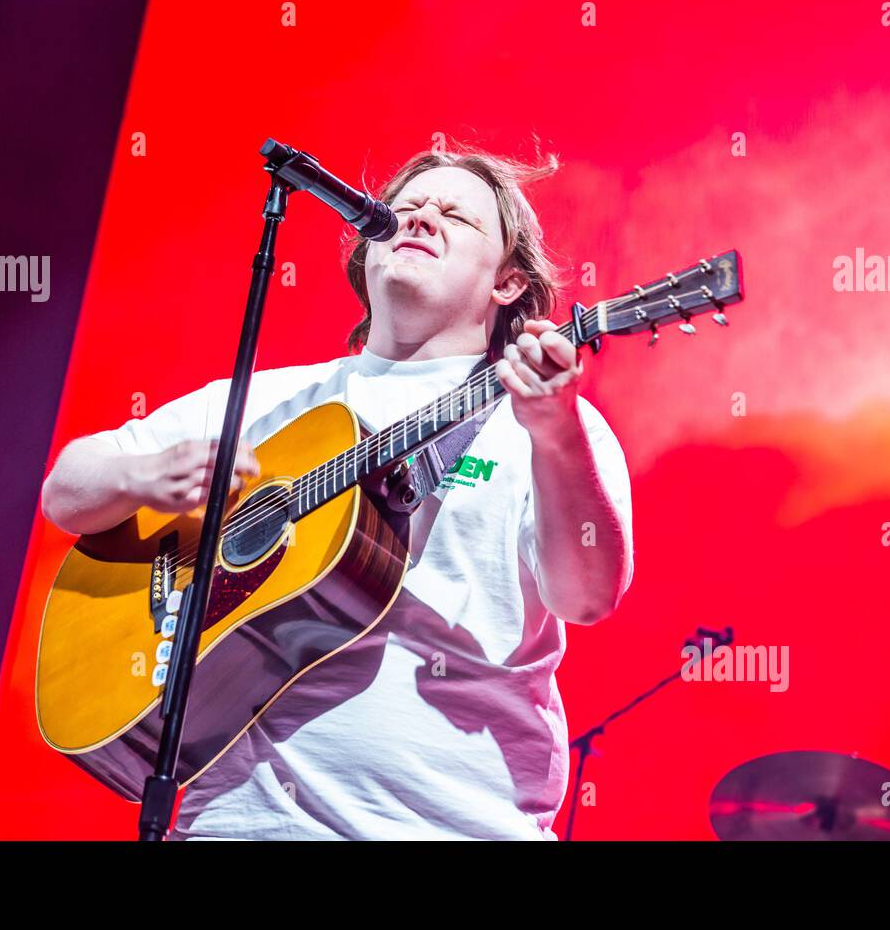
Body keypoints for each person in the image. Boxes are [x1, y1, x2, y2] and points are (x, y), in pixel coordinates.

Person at [40, 143, 635, 839]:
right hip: (231, 825)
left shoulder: (545, 422)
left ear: (507, 282)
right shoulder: (272, 399)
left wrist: (556, 433)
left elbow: (587, 598)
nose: (419, 219)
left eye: (454, 217)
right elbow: (65, 492)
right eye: (404, 208)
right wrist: (140, 475)